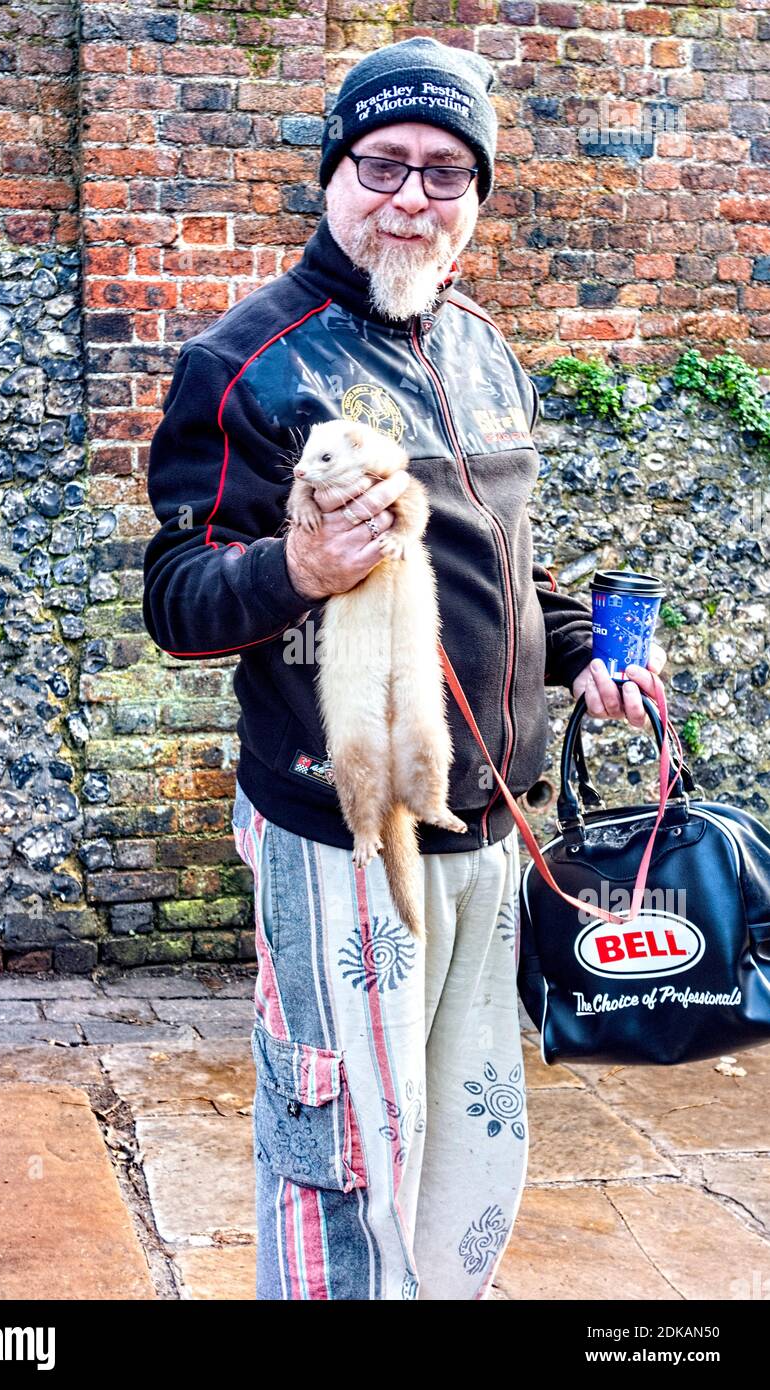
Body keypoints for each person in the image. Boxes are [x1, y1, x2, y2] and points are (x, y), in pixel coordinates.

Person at [142, 36, 667, 1299]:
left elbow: (499, 576)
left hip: (486, 829)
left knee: (468, 1154)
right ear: (332, 172)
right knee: (341, 1156)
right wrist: (300, 569)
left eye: (446, 173)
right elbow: (177, 600)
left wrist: (590, 652)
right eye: (383, 164)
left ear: (479, 199)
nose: (411, 198)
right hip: (337, 838)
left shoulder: (483, 349)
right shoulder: (245, 363)